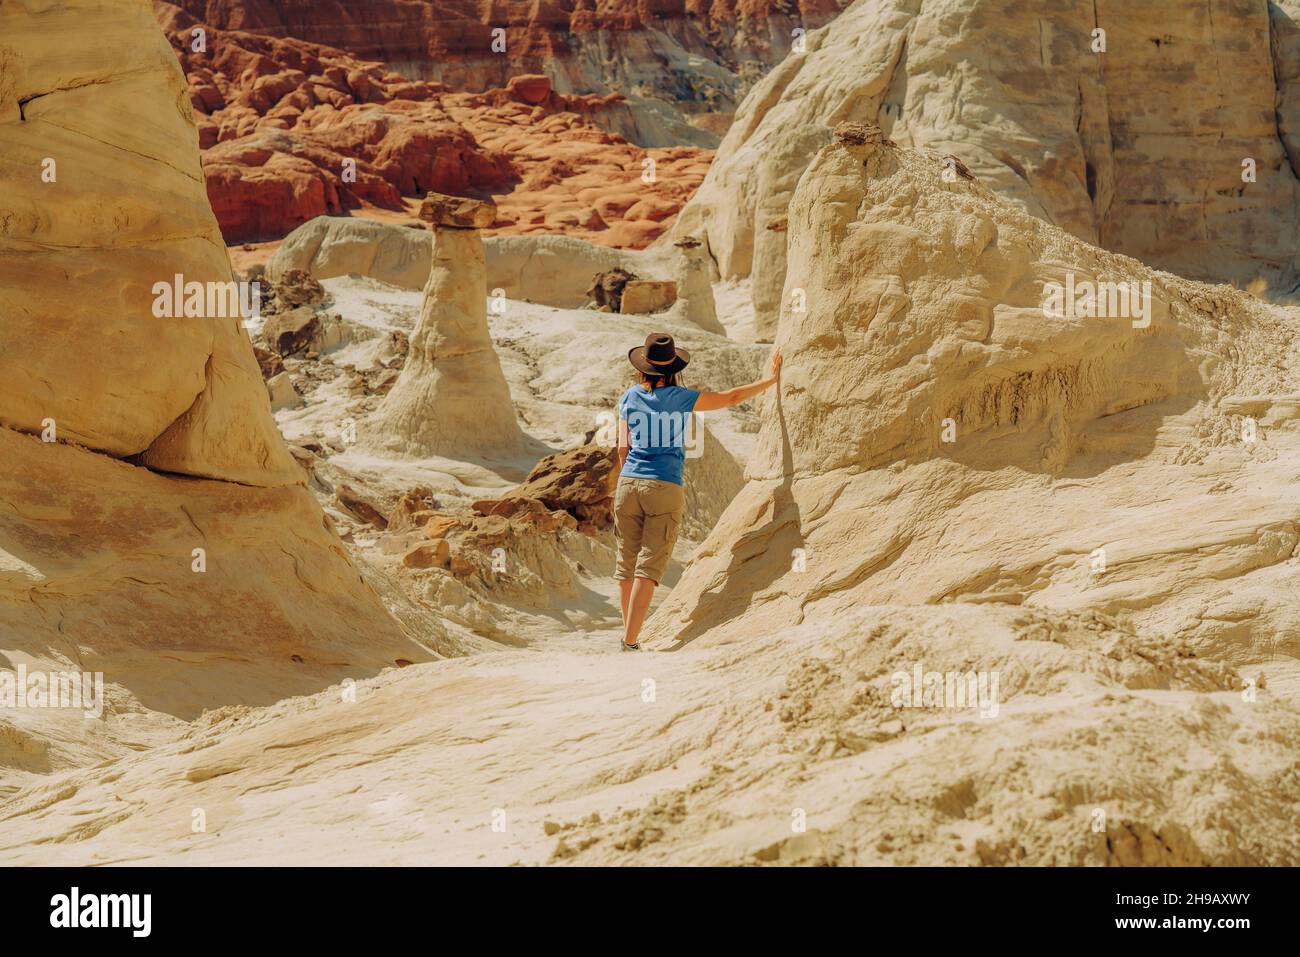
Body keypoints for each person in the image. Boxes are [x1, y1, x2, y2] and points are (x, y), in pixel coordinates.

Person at [614, 332, 782, 650]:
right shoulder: (681, 398)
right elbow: (731, 398)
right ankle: (630, 641)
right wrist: (770, 381)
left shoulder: (629, 396)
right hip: (663, 484)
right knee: (649, 566)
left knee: (627, 562)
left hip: (628, 483)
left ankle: (627, 634)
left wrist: (628, 476)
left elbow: (622, 446)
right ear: (673, 368)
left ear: (642, 368)